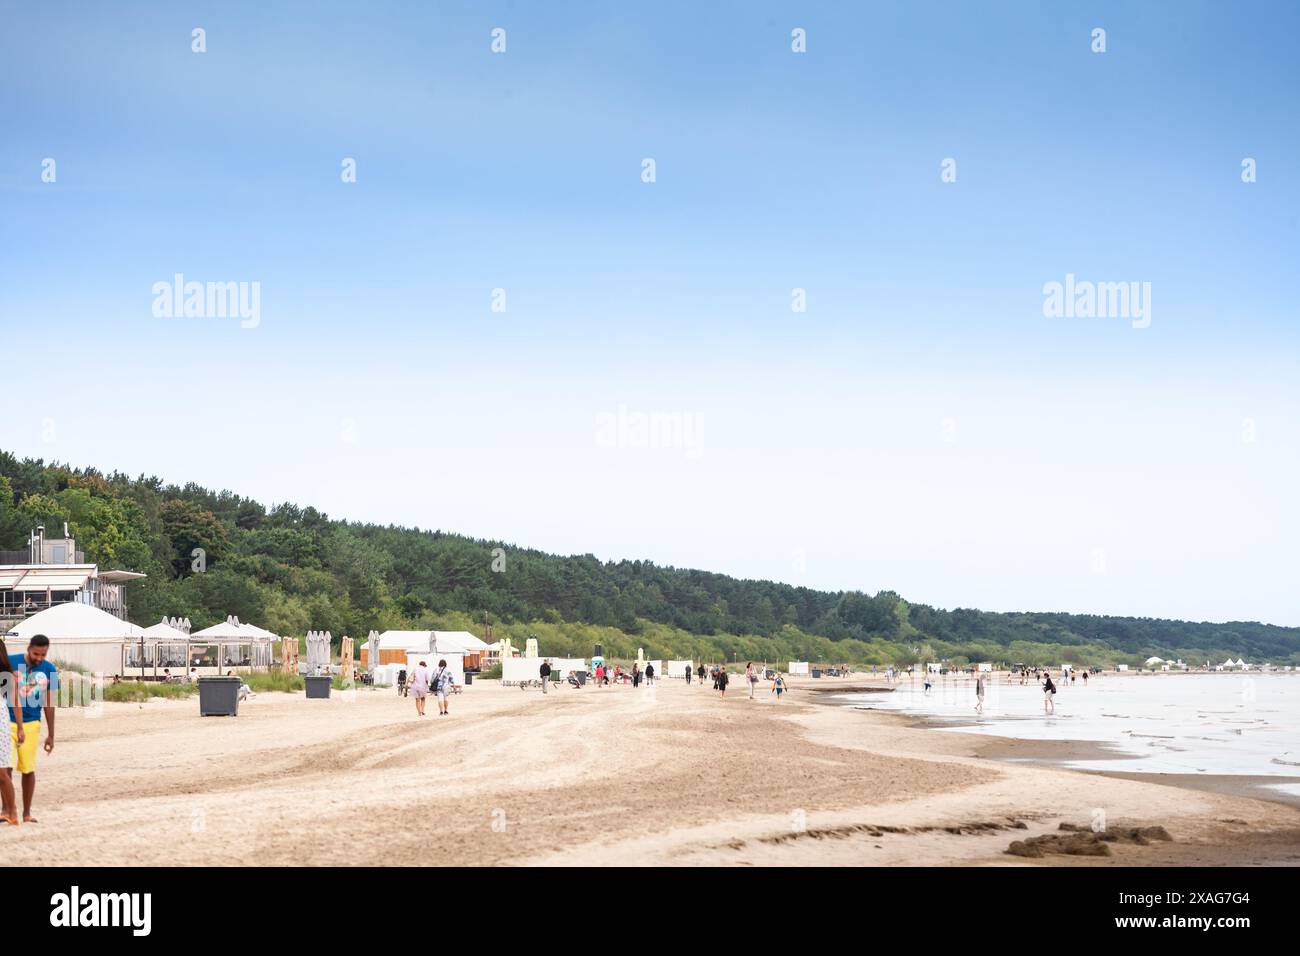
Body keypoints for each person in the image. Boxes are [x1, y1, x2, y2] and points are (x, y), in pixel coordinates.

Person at [9, 634, 57, 824]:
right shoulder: (11, 662)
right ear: (29, 648)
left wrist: (51, 735)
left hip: (31, 724)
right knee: (4, 769)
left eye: (43, 655)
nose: (39, 658)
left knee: (28, 769)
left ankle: (26, 813)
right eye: (36, 653)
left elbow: (49, 703)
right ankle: (7, 809)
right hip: (6, 721)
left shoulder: (49, 669)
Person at [0, 640, 25, 826]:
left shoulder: (5, 676)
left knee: (2, 772)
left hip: (0, 724)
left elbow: (16, 702)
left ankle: (13, 811)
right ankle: (7, 810)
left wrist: (21, 726)